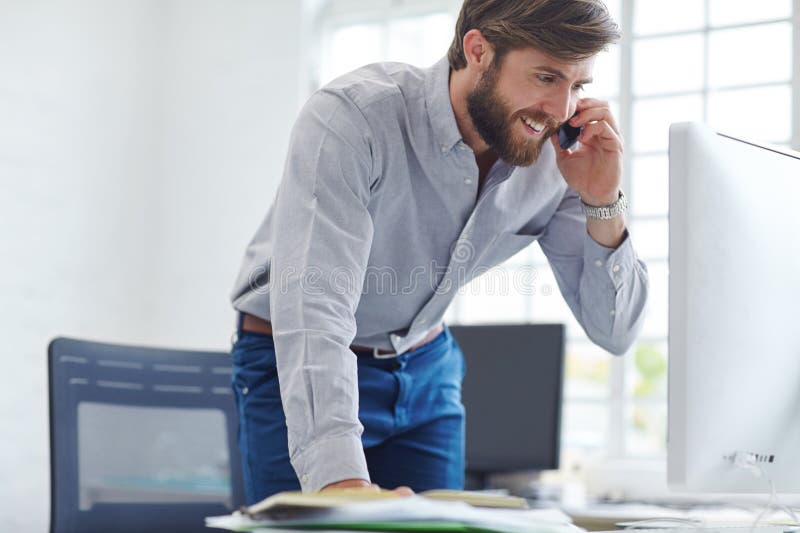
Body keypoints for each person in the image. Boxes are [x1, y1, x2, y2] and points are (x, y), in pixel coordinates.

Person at [229, 0, 648, 504]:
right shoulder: (353, 119)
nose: (561, 110)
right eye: (545, 78)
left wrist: (603, 201)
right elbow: (313, 311)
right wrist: (340, 481)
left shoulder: (558, 155)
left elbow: (616, 330)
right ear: (478, 50)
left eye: (577, 86)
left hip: (424, 366)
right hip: (295, 359)